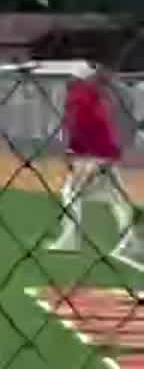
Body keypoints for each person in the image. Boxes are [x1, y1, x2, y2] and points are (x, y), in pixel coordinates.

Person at [48, 62, 138, 258]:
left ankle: (70, 241)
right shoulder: (93, 96)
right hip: (102, 153)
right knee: (116, 198)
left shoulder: (82, 98)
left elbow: (83, 130)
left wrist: (82, 157)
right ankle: (129, 240)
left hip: (97, 155)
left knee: (71, 193)